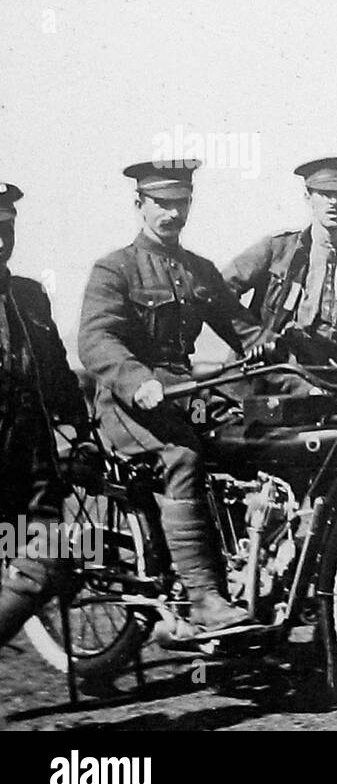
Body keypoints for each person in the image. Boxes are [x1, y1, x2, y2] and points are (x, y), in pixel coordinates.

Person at [78, 161, 268, 632]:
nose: (172, 212)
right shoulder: (114, 268)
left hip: (185, 393)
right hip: (127, 403)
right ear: (139, 204)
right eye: (162, 203)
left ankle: (251, 567)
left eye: (180, 202)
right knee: (182, 457)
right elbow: (96, 341)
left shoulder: (199, 270)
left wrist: (272, 345)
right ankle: (204, 598)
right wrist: (137, 381)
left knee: (254, 439)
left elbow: (244, 330)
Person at [0, 184, 91, 648]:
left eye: (6, 227)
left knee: (48, 557)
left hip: (32, 465)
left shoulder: (30, 296)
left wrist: (82, 428)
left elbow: (57, 373)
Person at [223, 157, 337, 367]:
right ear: (308, 196)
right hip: (275, 369)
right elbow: (219, 289)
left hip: (330, 375)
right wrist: (254, 337)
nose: (333, 202)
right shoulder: (278, 249)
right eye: (324, 194)